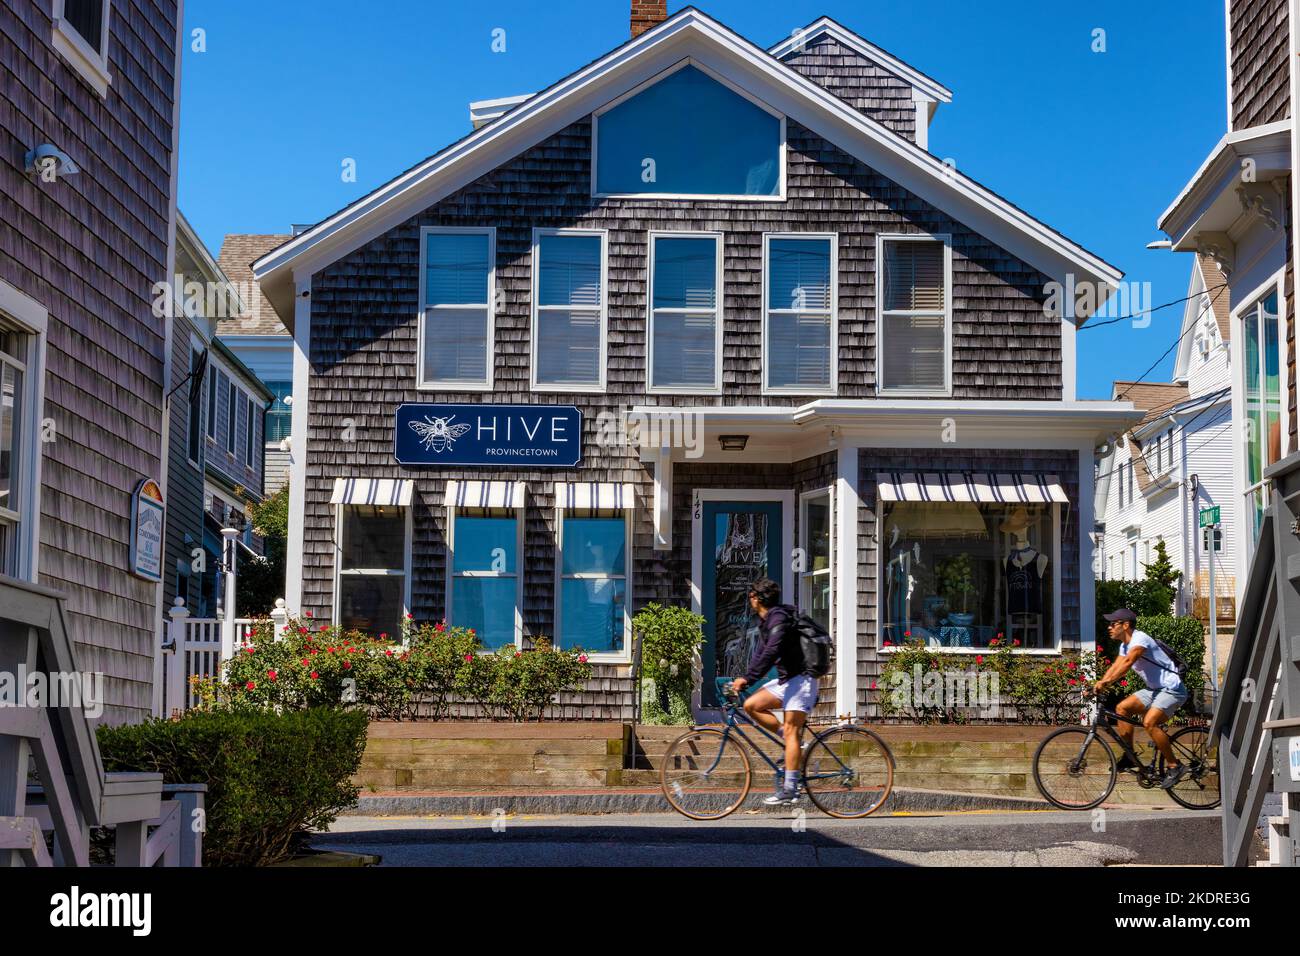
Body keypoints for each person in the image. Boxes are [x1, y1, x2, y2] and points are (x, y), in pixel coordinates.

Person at [729, 577, 817, 806]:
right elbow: (760, 653)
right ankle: (794, 743)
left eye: (751, 595)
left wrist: (749, 678)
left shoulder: (778, 619)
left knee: (790, 731)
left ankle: (790, 789)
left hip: (802, 680)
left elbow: (770, 652)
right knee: (751, 705)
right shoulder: (767, 620)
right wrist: (746, 680)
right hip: (787, 680)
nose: (749, 600)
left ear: (757, 598)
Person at [1092, 608, 1189, 789]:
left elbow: (1128, 663)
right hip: (1155, 690)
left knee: (1149, 722)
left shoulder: (1140, 639)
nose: (1109, 627)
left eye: (1113, 624)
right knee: (1122, 708)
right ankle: (1130, 756)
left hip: (1173, 689)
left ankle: (1175, 766)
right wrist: (1102, 681)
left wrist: (1106, 683)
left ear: (1126, 625)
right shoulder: (1124, 645)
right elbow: (1117, 665)